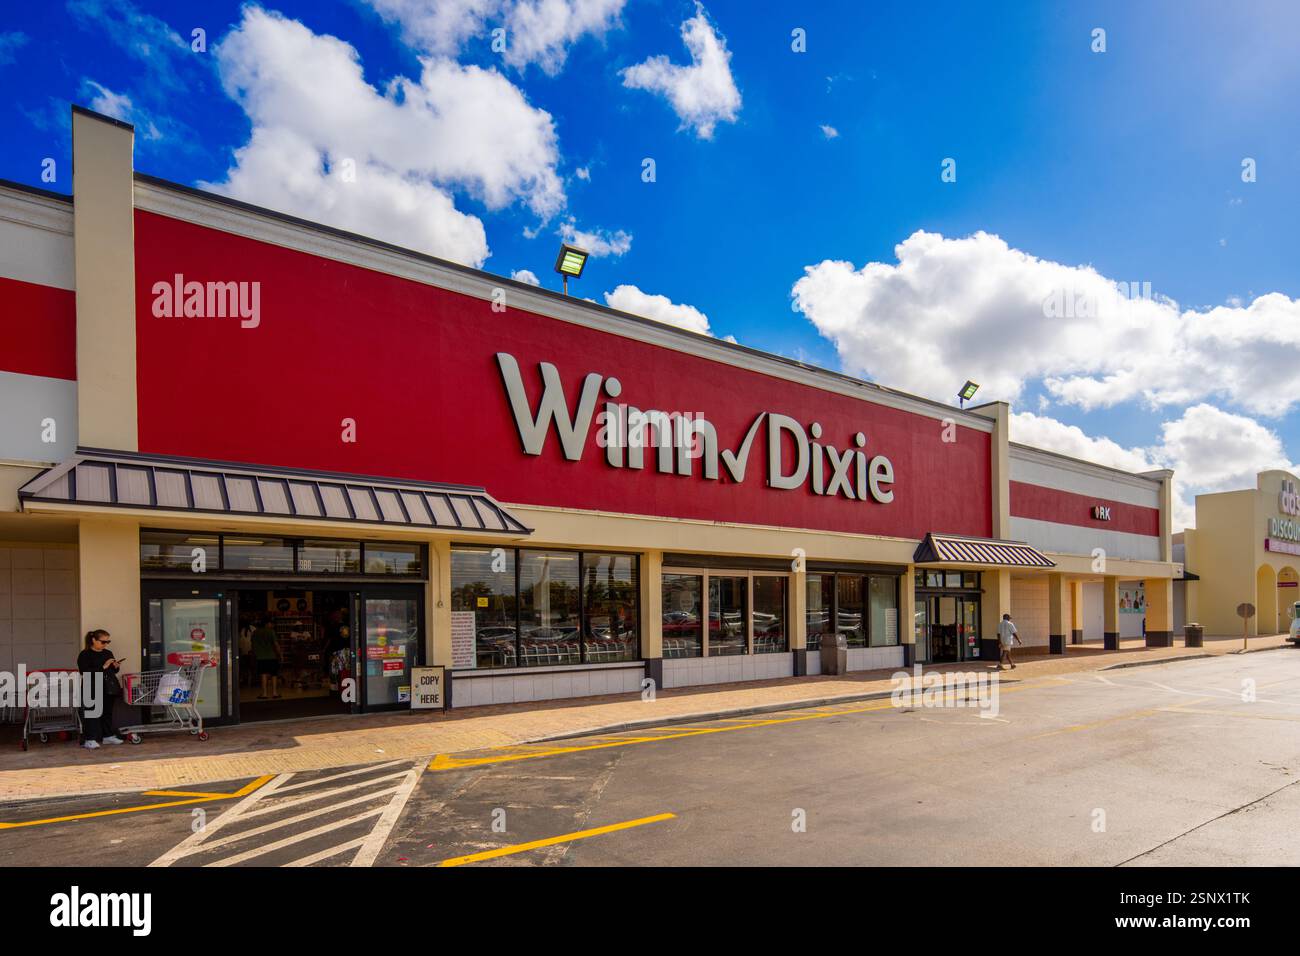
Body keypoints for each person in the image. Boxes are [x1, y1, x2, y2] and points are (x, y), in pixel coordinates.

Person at [76, 629, 125, 748]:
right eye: (103, 642)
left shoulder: (108, 653)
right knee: (92, 713)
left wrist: (115, 666)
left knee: (107, 712)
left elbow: (112, 671)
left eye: (108, 641)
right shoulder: (85, 654)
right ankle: (90, 739)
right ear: (94, 640)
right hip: (91, 686)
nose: (106, 644)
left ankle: (108, 736)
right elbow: (85, 672)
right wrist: (104, 666)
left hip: (107, 687)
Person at [251, 615, 282, 700]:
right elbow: (276, 644)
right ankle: (275, 693)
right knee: (274, 674)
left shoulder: (255, 632)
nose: (273, 625)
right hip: (272, 657)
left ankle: (264, 694)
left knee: (263, 674)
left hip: (260, 657)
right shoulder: (271, 631)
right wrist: (280, 654)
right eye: (272, 623)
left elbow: (253, 646)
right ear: (267, 623)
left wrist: (255, 654)